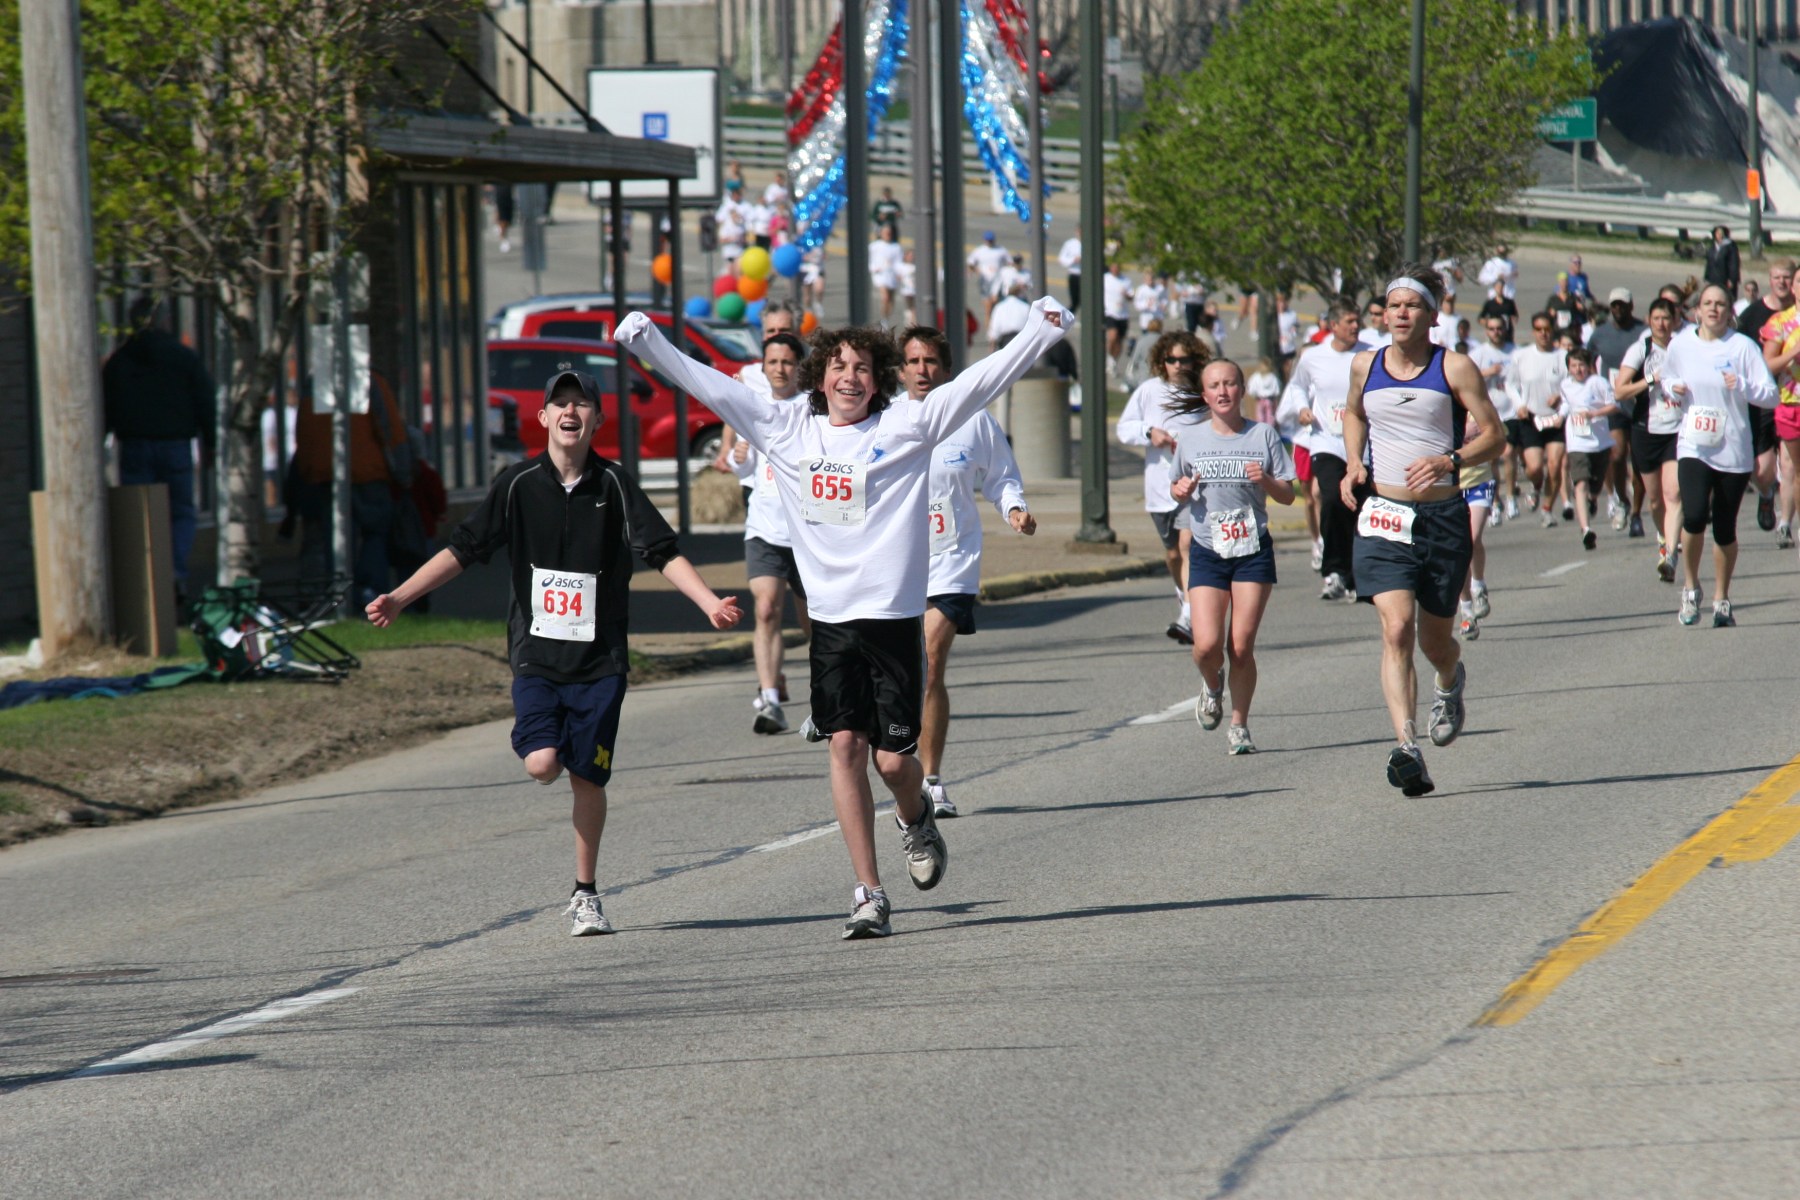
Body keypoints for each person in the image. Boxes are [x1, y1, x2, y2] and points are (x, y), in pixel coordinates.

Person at [617, 298, 1070, 939]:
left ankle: (915, 818)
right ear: (819, 376)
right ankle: (868, 891)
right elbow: (710, 386)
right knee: (845, 747)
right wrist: (648, 343)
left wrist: (1037, 333)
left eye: (861, 366)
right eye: (837, 365)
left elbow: (980, 382)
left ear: (878, 377)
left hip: (891, 617)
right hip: (830, 622)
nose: (849, 377)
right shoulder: (789, 429)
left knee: (891, 763)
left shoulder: (909, 425)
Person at [365, 369, 742, 935]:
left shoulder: (614, 484)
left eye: (582, 403)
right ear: (542, 417)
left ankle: (585, 894)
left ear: (597, 419)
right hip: (537, 654)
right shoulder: (516, 486)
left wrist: (708, 602)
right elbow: (462, 550)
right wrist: (399, 596)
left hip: (600, 658)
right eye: (559, 403)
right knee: (542, 763)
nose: (570, 412)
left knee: (588, 779)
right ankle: (556, 747)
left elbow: (661, 552)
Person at [1339, 264, 1505, 796]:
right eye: (1394, 305)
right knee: (1395, 628)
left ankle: (1450, 680)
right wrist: (1353, 462)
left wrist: (1448, 460)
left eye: (1413, 305)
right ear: (1384, 314)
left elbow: (1495, 436)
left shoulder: (1454, 367)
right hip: (1385, 515)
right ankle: (1407, 747)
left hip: (1441, 517)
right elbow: (1353, 414)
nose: (1402, 313)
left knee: (1436, 641)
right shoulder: (1366, 365)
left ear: (1433, 315)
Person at [898, 326, 1034, 817]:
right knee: (901, 670)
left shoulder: (972, 421)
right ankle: (899, 762)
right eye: (912, 361)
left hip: (953, 560)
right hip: (896, 565)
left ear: (947, 369)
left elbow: (1001, 476)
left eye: (931, 361)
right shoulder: (885, 419)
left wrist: (1014, 509)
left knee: (931, 661)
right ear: (900, 370)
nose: (922, 370)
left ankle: (930, 779)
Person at [1167, 359, 1296, 755]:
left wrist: (1268, 481)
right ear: (1205, 395)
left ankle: (1239, 725)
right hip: (1208, 549)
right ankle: (1211, 684)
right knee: (1206, 646)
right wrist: (1182, 489)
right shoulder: (1190, 439)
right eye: (1214, 386)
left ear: (1243, 390)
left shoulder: (1263, 435)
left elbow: (1289, 494)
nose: (1222, 392)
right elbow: (1175, 488)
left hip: (1251, 550)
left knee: (1240, 645)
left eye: (1230, 384)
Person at [1663, 286, 1778, 626]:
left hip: (1732, 447)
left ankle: (1722, 597)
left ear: (1730, 311)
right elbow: (1667, 376)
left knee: (1724, 529)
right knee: (1695, 515)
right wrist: (1672, 388)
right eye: (1707, 304)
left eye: (1721, 304)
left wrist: (1743, 385)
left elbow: (1770, 396)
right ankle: (1690, 587)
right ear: (1697, 310)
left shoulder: (1742, 347)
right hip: (1694, 445)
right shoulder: (1682, 343)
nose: (1714, 309)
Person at [102, 296, 215, 601]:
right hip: (175, 445)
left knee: (138, 513)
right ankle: (173, 572)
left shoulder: (120, 360)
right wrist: (211, 444)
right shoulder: (182, 357)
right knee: (180, 513)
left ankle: (143, 575)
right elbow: (206, 402)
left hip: (135, 445)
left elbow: (105, 408)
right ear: (165, 320)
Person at [731, 332, 812, 734]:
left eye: (786, 362)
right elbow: (742, 468)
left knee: (816, 623)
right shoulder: (756, 409)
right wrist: (738, 455)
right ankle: (770, 699)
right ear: (763, 367)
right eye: (773, 362)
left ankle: (830, 696)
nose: (779, 369)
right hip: (764, 529)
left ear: (799, 367)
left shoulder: (812, 410)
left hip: (808, 533)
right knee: (765, 610)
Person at [1118, 331, 1210, 642]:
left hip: (1195, 487)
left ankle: (1189, 614)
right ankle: (1184, 596)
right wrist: (1149, 432)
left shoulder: (1203, 393)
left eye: (1185, 359)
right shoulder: (1149, 391)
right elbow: (1123, 427)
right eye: (1172, 359)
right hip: (1159, 488)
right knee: (1173, 554)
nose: (1178, 365)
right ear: (1162, 361)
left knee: (1188, 546)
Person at [290, 371, 407, 606]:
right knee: (374, 534)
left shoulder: (315, 384)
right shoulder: (370, 380)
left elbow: (304, 433)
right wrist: (403, 472)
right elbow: (390, 430)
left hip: (327, 474)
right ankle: (371, 593)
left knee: (337, 541)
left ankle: (342, 598)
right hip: (368, 473)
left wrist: (309, 470)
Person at [1280, 299, 1369, 601]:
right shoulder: (1313, 357)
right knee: (1330, 498)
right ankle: (1334, 570)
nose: (1356, 326)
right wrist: (1302, 408)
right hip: (1326, 440)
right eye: (1349, 321)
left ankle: (1357, 574)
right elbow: (1295, 387)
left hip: (1362, 444)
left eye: (1358, 321)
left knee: (1360, 505)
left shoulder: (1370, 354)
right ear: (1333, 326)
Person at [1615, 297, 1683, 579]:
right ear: (1649, 320)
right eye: (1656, 318)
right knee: (1655, 500)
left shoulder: (1684, 346)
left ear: (1674, 320)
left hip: (1678, 429)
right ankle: (1663, 538)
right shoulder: (1640, 349)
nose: (1661, 323)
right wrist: (1650, 381)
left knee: (1673, 494)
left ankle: (1670, 553)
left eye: (1666, 318)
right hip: (1646, 429)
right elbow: (1620, 391)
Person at [1733, 258, 1794, 536]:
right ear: (1770, 280)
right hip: (1761, 397)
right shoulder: (1753, 315)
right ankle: (1767, 493)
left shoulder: (1796, 314)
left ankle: (1786, 522)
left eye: (1787, 277)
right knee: (1763, 471)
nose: (1782, 282)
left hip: (1791, 398)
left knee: (1789, 463)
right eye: (1777, 277)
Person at [1586, 288, 1648, 535]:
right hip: (1614, 403)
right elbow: (1587, 359)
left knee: (1640, 462)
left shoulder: (1642, 332)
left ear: (1631, 306)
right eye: (1614, 305)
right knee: (1617, 453)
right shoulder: (1600, 334)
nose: (1618, 309)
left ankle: (1636, 513)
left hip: (1640, 402)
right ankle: (1622, 501)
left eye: (1623, 305)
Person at [1504, 312, 1569, 527]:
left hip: (1556, 418)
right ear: (1533, 331)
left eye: (1547, 329)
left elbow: (1571, 386)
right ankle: (1535, 486)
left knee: (1554, 464)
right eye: (1539, 329)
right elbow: (1510, 384)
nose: (1543, 334)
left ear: (1553, 331)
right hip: (1531, 417)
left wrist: (1560, 398)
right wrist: (1519, 405)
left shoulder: (1562, 357)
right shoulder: (1521, 356)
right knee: (1534, 468)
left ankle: (1547, 508)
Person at [1559, 348, 1619, 551]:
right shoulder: (1565, 385)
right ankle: (1586, 529)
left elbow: (1614, 405)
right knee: (1580, 482)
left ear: (1589, 366)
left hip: (1599, 441)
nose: (1578, 370)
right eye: (1573, 366)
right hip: (1577, 441)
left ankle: (1593, 499)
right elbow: (1566, 405)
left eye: (1581, 365)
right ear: (1568, 368)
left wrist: (1594, 414)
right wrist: (1558, 416)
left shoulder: (1598, 383)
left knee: (1596, 484)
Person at [1758, 273, 1800, 551]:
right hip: (1792, 404)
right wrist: (1793, 353)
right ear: (1794, 288)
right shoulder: (1781, 323)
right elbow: (1766, 366)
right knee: (1795, 469)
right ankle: (1788, 521)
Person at [1468, 315, 1519, 521]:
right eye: (1491, 328)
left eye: (1499, 328)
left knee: (1509, 453)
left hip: (1510, 412)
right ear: (1486, 330)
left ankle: (1511, 496)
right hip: (1487, 414)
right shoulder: (1478, 353)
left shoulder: (1515, 352)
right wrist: (1488, 371)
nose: (1496, 332)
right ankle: (1495, 501)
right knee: (1491, 460)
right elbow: (1466, 378)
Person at [967, 231, 1010, 322]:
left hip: (998, 280)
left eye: (991, 240)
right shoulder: (979, 250)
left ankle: (995, 324)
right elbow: (971, 263)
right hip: (985, 280)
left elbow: (1009, 262)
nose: (989, 242)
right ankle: (989, 327)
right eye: (988, 240)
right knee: (988, 306)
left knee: (996, 304)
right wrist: (977, 271)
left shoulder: (1001, 250)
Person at [868, 224, 905, 324]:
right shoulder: (874, 246)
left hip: (892, 275)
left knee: (891, 299)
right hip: (880, 274)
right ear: (881, 233)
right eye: (885, 233)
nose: (888, 235)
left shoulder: (896, 247)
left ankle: (886, 318)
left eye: (889, 233)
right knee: (885, 297)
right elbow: (870, 259)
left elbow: (899, 262)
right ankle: (884, 319)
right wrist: (873, 268)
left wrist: (900, 273)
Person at [1102, 261, 1133, 369]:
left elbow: (1131, 296)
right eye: (1113, 267)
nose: (1115, 270)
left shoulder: (1126, 281)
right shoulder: (1105, 278)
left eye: (1117, 268)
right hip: (1110, 312)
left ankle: (1114, 360)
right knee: (1112, 337)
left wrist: (1127, 295)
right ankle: (1109, 356)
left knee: (1119, 341)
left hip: (1123, 314)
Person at [1704, 225, 1741, 299]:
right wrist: (1707, 277)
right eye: (1717, 233)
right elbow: (1709, 263)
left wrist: (1732, 279)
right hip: (1714, 278)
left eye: (1721, 234)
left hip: (1725, 278)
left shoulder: (1730, 246)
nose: (1719, 236)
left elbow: (1734, 264)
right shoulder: (1713, 247)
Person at [1246, 357, 1281, 426]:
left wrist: (1253, 394)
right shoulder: (1272, 377)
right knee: (1269, 415)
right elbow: (1277, 390)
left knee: (1261, 416)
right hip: (1269, 399)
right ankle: (1269, 427)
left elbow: (1251, 388)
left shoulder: (1256, 377)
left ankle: (1263, 427)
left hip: (1260, 399)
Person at [1058, 235, 1082, 312]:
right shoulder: (1070, 243)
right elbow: (1061, 259)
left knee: (1086, 300)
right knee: (1075, 301)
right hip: (1074, 274)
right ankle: (1066, 318)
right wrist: (1073, 260)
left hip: (1086, 276)